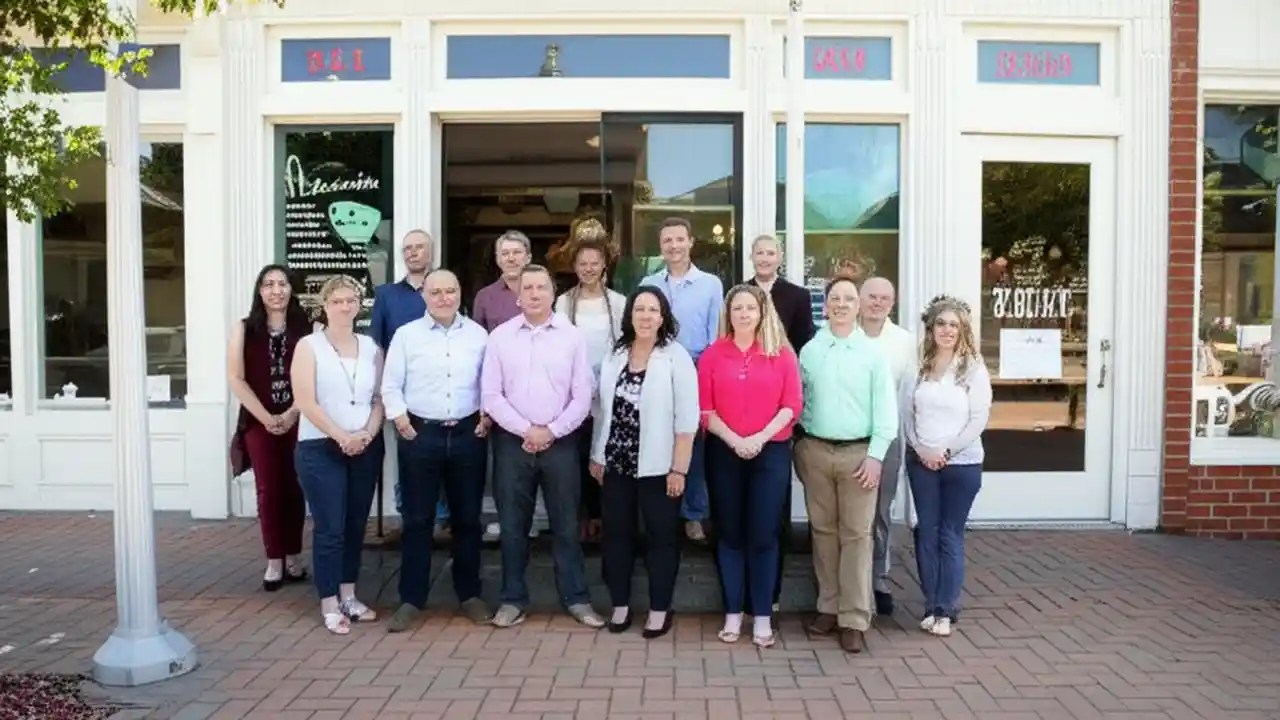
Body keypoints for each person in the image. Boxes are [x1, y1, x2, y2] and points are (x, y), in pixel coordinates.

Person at [481, 264, 605, 629]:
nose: (535, 294)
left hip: (561, 442)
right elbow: (491, 395)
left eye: (542, 287)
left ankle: (577, 598)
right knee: (512, 526)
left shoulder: (572, 337)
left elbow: (583, 395)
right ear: (518, 296)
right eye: (528, 288)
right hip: (512, 443)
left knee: (566, 525)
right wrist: (527, 430)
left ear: (553, 294)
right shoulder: (500, 337)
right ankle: (512, 600)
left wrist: (551, 431)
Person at [381, 269, 493, 632]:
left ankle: (469, 594)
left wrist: (486, 415)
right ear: (424, 296)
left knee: (468, 519)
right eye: (436, 292)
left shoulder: (478, 335)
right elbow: (390, 385)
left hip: (467, 434)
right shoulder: (406, 336)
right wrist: (401, 420)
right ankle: (411, 599)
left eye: (450, 291)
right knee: (417, 519)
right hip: (420, 434)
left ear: (460, 293)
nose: (444, 298)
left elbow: (490, 382)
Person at [794, 276, 898, 654]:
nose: (841, 304)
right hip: (816, 450)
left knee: (856, 535)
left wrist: (876, 455)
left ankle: (854, 617)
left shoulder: (873, 354)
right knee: (822, 532)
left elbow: (886, 411)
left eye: (848, 298)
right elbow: (800, 400)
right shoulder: (810, 351)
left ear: (858, 306)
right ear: (825, 305)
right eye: (834, 298)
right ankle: (829, 607)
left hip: (859, 455)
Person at [590, 286, 698, 638]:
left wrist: (679, 468)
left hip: (660, 467)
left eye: (653, 310)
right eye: (640, 309)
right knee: (616, 536)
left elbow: (687, 418)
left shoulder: (675, 356)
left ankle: (659, 610)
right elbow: (601, 409)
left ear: (663, 316)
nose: (646, 316)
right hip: (616, 464)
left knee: (661, 538)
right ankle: (620, 605)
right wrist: (597, 454)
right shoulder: (615, 353)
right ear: (630, 316)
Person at [698, 284, 802, 648]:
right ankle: (732, 613)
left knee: (763, 535)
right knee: (729, 534)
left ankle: (761, 616)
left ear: (762, 313)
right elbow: (705, 410)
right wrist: (736, 440)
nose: (744, 314)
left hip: (770, 452)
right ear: (728, 314)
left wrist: (759, 438)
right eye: (737, 308)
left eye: (750, 308)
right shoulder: (713, 354)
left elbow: (792, 405)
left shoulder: (781, 354)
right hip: (724, 451)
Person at [291, 275, 385, 635]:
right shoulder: (309, 346)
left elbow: (378, 399)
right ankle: (329, 602)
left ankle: (349, 595)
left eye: (350, 301)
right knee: (330, 526)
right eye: (337, 301)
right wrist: (341, 436)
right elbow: (306, 401)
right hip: (321, 446)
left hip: (363, 446)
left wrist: (367, 434)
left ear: (358, 305)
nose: (344, 307)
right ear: (325, 306)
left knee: (355, 524)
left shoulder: (371, 346)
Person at [902, 294, 992, 638]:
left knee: (949, 534)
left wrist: (947, 451)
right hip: (921, 460)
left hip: (961, 463)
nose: (947, 330)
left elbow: (978, 419)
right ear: (931, 328)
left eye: (954, 325)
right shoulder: (918, 368)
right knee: (926, 530)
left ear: (963, 330)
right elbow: (907, 415)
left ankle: (945, 609)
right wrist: (921, 449)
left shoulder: (973, 369)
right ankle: (931, 605)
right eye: (941, 323)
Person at [228, 264, 313, 591]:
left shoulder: (308, 328)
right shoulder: (244, 328)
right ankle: (274, 559)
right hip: (258, 419)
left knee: (295, 487)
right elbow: (236, 378)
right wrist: (265, 417)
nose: (276, 290)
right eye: (268, 284)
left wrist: (292, 412)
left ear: (291, 289)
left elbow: (315, 377)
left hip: (300, 417)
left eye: (282, 284)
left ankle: (293, 555)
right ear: (259, 291)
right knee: (269, 490)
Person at [641, 217, 723, 543]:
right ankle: (659, 510)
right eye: (667, 241)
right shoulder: (649, 283)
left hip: (696, 366)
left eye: (679, 239)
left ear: (690, 242)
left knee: (693, 441)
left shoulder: (710, 284)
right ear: (660, 246)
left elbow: (716, 336)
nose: (673, 246)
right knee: (656, 437)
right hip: (656, 367)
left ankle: (694, 513)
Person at [746, 233, 815, 612]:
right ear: (751, 256)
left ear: (780, 257)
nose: (765, 258)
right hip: (745, 400)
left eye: (771, 253)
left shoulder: (797, 296)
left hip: (782, 404)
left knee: (777, 503)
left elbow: (804, 345)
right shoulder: (739, 293)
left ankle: (773, 590)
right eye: (759, 252)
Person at [369, 231, 452, 540]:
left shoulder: (445, 289)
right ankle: (410, 516)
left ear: (431, 252)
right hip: (402, 394)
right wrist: (380, 393)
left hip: (444, 391)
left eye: (419, 247)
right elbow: (377, 345)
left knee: (445, 456)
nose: (412, 253)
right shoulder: (387, 295)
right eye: (407, 249)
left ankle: (444, 517)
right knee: (408, 457)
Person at [555, 230, 626, 542]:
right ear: (574, 267)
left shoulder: (619, 303)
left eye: (594, 263)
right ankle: (580, 519)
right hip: (573, 391)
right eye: (582, 263)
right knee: (576, 456)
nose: (588, 269)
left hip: (609, 390)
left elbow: (624, 346)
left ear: (604, 265)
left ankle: (603, 519)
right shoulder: (563, 303)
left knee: (605, 454)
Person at [857, 276, 917, 617]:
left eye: (884, 298)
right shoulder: (845, 334)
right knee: (852, 514)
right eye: (871, 296)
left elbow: (909, 395)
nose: (877, 303)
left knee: (880, 511)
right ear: (860, 299)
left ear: (892, 304)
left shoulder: (904, 342)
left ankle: (878, 580)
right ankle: (852, 580)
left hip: (888, 437)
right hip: (850, 435)